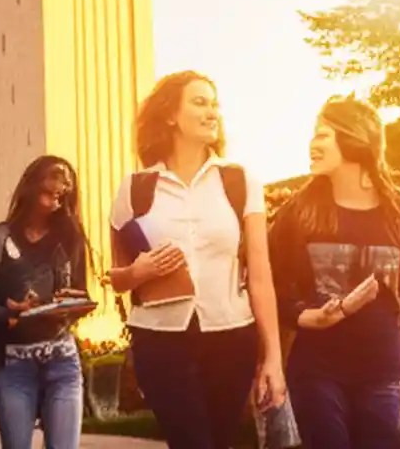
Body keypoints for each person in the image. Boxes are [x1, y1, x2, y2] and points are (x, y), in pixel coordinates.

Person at [105, 70, 286, 449]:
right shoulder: (135, 189)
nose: (212, 112)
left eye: (214, 104)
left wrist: (273, 359)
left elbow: (261, 275)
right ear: (171, 115)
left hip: (232, 336)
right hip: (159, 340)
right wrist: (139, 271)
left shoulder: (239, 182)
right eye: (200, 102)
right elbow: (116, 277)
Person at [269, 97, 400, 449]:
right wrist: (311, 318)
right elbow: (273, 294)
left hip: (380, 373)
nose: (313, 144)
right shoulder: (298, 212)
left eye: (322, 135)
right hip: (317, 371)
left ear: (353, 140)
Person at [0, 155, 95, 449]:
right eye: (48, 191)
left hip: (62, 360)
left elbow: (80, 293)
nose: (54, 200)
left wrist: (67, 308)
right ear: (31, 186)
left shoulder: (70, 239)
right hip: (13, 364)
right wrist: (8, 315)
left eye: (62, 195)